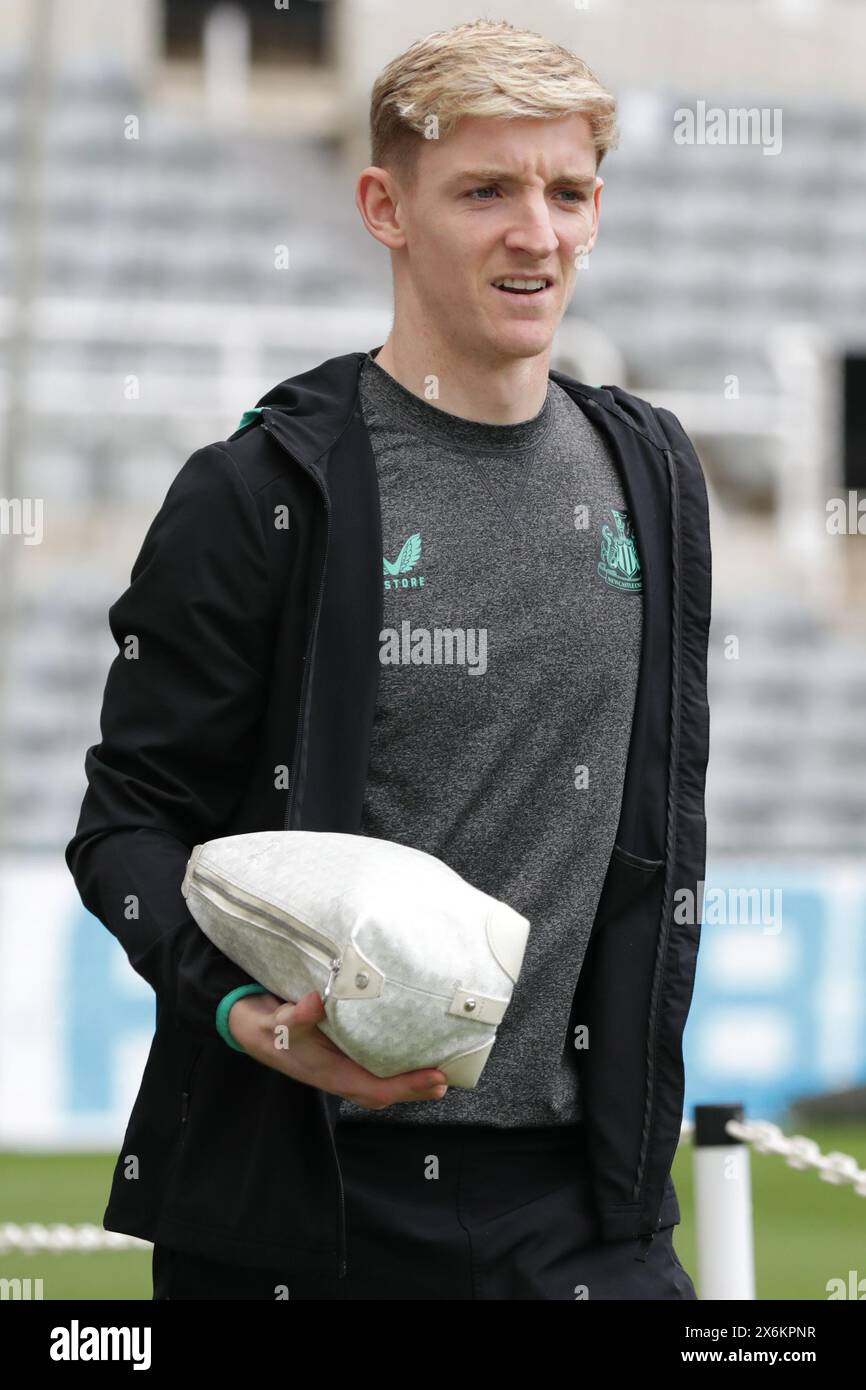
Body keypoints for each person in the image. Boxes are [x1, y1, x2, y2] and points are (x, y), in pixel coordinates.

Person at [66, 18, 711, 1300]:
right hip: (302, 1212)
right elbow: (124, 829)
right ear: (385, 205)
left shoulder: (653, 472)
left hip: (582, 1212)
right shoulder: (259, 489)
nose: (536, 232)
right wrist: (241, 1013)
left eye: (566, 190)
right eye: (485, 190)